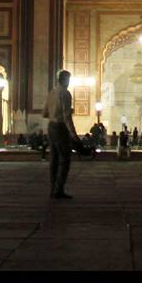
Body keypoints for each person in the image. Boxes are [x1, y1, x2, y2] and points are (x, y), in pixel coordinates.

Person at [43, 70, 78, 199]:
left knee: (54, 159)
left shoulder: (51, 92)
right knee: (65, 159)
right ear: (66, 80)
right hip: (60, 128)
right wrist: (73, 134)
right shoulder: (65, 93)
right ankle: (59, 189)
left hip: (51, 127)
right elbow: (66, 116)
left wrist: (54, 112)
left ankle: (53, 189)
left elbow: (45, 113)